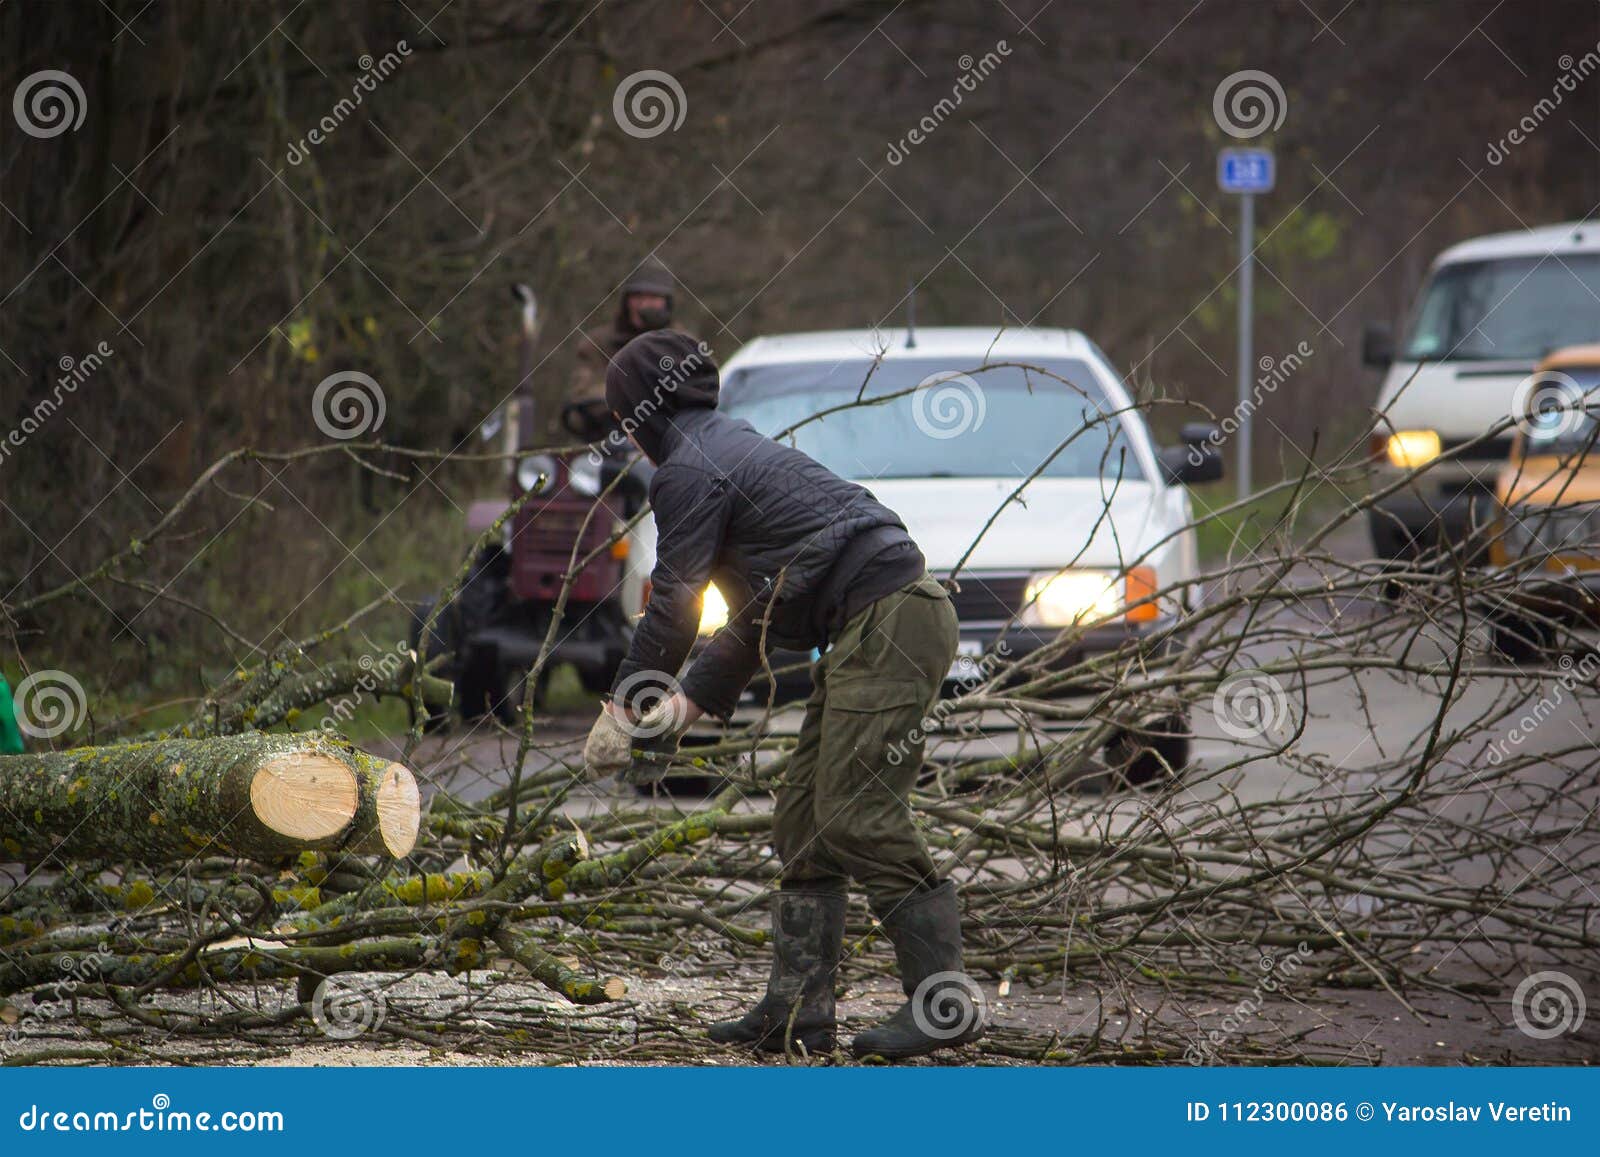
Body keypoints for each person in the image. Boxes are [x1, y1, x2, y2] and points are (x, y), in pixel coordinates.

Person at [582, 329, 984, 1059]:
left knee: (856, 813)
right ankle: (798, 1009)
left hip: (888, 617)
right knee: (804, 821)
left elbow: (673, 600)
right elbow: (757, 615)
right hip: (880, 619)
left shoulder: (686, 470)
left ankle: (942, 1002)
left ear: (635, 419)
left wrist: (619, 703)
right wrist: (683, 707)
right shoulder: (728, 445)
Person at [563, 257, 676, 441]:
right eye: (638, 297)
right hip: (607, 441)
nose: (644, 305)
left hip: (669, 442)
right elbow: (582, 394)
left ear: (666, 303)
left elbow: (704, 392)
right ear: (627, 300)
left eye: (653, 298)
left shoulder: (683, 344)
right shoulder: (598, 344)